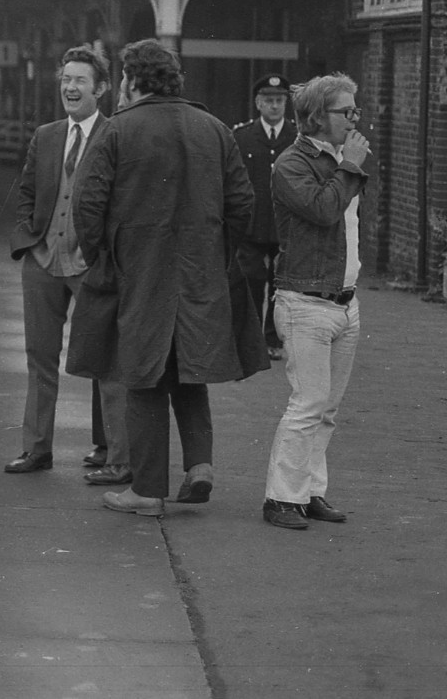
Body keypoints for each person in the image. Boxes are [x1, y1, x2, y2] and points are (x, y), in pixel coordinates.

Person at [72, 38, 268, 517]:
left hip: (140, 272)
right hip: (200, 271)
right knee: (189, 370)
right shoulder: (215, 129)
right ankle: (200, 466)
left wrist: (103, 256)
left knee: (142, 376)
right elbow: (242, 203)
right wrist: (215, 253)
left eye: (123, 77)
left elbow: (88, 203)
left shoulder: (116, 131)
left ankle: (146, 491)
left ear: (133, 81)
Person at [3, 45, 128, 482]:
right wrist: (28, 238)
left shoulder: (116, 135)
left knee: (106, 361)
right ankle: (36, 449)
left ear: (102, 89)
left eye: (80, 81)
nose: (70, 88)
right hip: (42, 261)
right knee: (39, 357)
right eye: (66, 80)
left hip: (91, 265)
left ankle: (116, 456)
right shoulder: (47, 135)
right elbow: (27, 192)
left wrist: (105, 255)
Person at [261, 74, 370, 530]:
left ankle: (309, 491)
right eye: (345, 111)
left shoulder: (343, 158)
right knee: (308, 403)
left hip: (345, 301)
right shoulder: (292, 163)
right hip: (305, 301)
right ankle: (281, 498)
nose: (354, 118)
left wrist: (349, 164)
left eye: (355, 109)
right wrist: (350, 166)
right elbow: (323, 211)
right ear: (317, 116)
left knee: (327, 410)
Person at [232, 74, 296, 361]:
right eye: (268, 100)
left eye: (279, 100)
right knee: (251, 281)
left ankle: (273, 339)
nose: (274, 106)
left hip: (285, 224)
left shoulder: (297, 137)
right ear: (258, 103)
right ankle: (251, 341)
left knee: (280, 285)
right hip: (252, 224)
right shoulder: (242, 136)